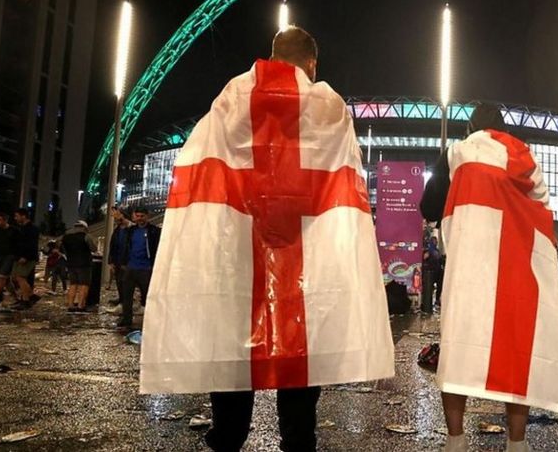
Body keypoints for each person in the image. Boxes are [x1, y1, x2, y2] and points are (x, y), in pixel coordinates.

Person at [139, 27, 394, 452]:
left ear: (273, 54)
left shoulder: (233, 97)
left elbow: (201, 163)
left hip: (241, 252)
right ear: (311, 64)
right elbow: (346, 180)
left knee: (234, 360)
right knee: (300, 360)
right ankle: (297, 443)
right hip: (304, 257)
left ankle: (227, 440)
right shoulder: (328, 105)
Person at [420, 104, 558, 452]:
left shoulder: (456, 153)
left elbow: (429, 207)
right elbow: (542, 211)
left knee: (457, 347)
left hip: (467, 268)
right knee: (515, 349)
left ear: (472, 128)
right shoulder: (527, 160)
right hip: (515, 269)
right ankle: (516, 444)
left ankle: (455, 441)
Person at [118, 207, 160, 329]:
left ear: (147, 216)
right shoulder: (131, 231)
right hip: (131, 266)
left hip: (146, 268)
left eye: (142, 216)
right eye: (138, 216)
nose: (140, 218)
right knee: (127, 295)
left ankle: (150, 319)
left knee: (147, 295)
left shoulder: (154, 231)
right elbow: (125, 246)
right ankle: (127, 319)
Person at [61, 221, 98, 312]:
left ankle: (70, 305)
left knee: (73, 284)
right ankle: (81, 305)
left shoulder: (65, 237)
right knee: (84, 285)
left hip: (71, 264)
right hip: (84, 264)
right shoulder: (86, 236)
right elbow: (94, 249)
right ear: (84, 227)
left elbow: (63, 249)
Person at [106, 207, 130, 305]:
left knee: (126, 282)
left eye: (117, 216)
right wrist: (111, 261)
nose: (115, 219)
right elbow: (112, 246)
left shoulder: (130, 229)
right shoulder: (117, 231)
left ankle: (126, 302)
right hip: (117, 260)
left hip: (127, 261)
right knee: (119, 281)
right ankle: (122, 299)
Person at [420, 236, 443, 314]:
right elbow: (424, 259)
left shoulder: (435, 251)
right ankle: (429, 303)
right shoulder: (429, 251)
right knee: (430, 289)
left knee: (436, 287)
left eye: (435, 241)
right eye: (434, 241)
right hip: (430, 273)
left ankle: (435, 301)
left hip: (435, 272)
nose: (435, 243)